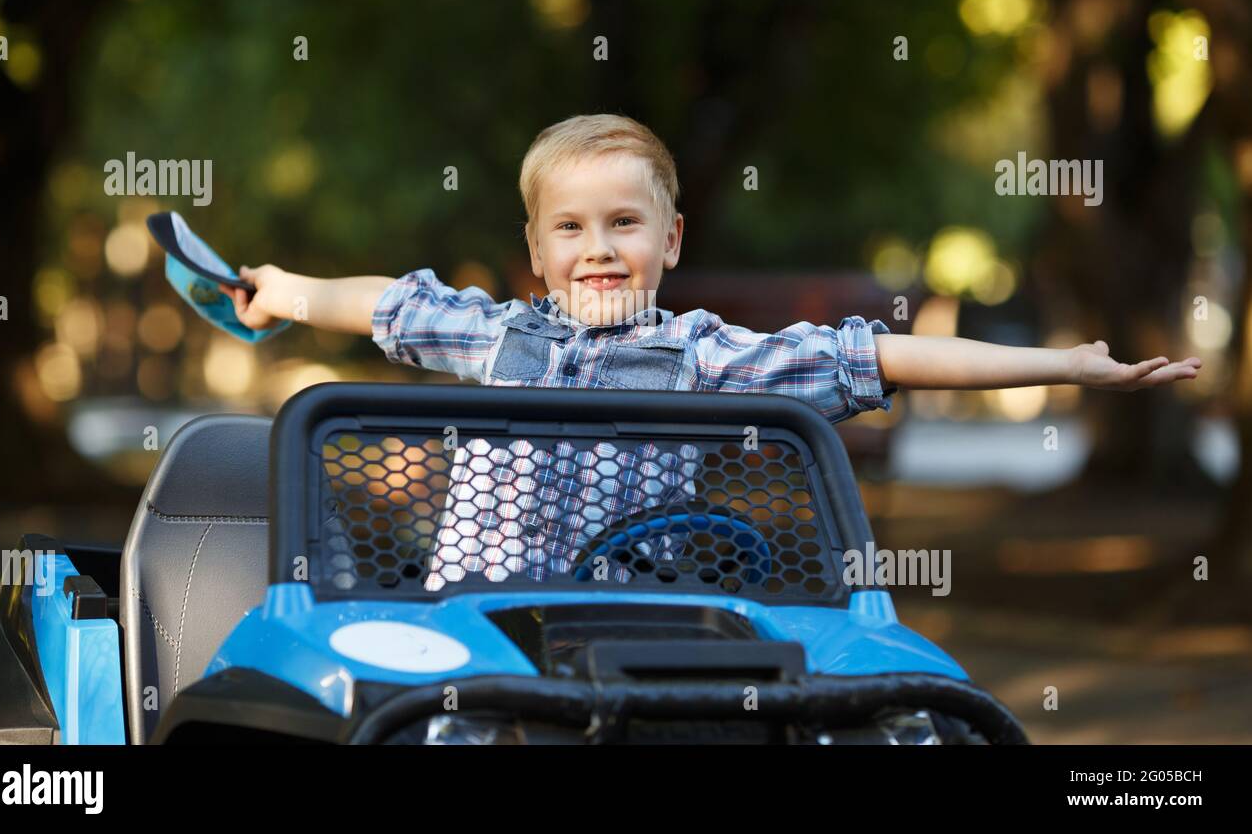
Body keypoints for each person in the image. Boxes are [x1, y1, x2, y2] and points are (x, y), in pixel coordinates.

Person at [221, 114, 1201, 589]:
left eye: (621, 221)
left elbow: (880, 358)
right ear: (534, 248)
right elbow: (387, 302)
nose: (597, 247)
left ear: (671, 238)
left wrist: (1067, 364)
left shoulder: (703, 354)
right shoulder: (495, 333)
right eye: (568, 226)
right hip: (471, 617)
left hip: (629, 624)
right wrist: (289, 292)